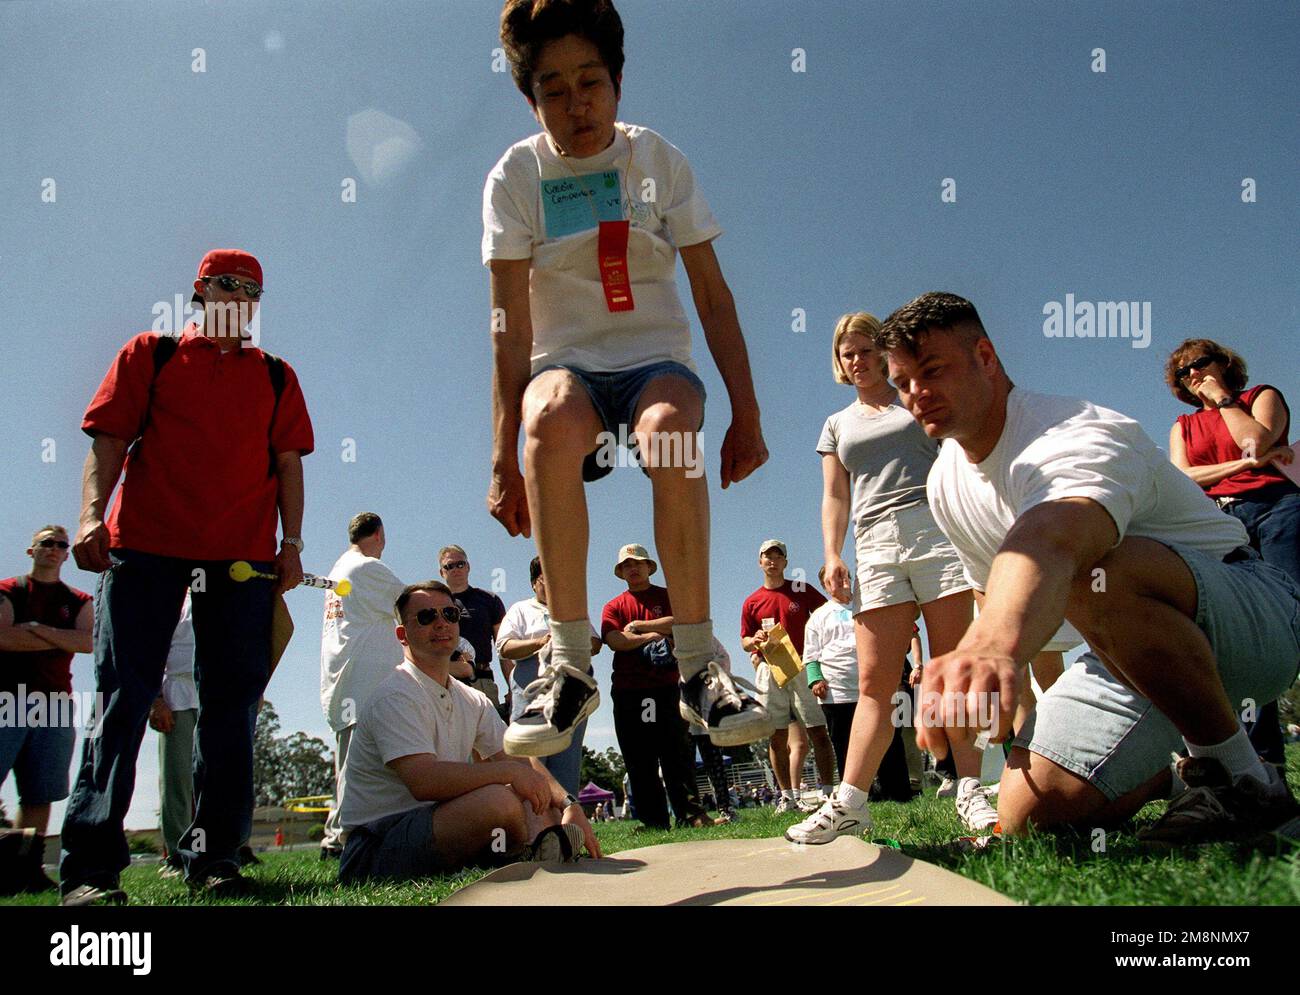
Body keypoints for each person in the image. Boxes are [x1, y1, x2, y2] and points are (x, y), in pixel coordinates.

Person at [873, 291, 1299, 843]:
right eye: (902, 382)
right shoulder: (944, 483)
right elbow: (990, 592)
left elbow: (1055, 536)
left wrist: (991, 647)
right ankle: (1179, 776)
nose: (916, 395)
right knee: (1030, 813)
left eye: (932, 370)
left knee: (1095, 570)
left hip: (1250, 621)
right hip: (1124, 660)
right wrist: (985, 683)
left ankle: (1244, 783)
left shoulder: (1072, 430)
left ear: (984, 356)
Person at [484, 0, 771, 759]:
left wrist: (748, 413)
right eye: (553, 89)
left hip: (654, 366)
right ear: (529, 98)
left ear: (617, 81)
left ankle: (700, 663)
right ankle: (569, 664)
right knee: (548, 418)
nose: (576, 105)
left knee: (671, 434)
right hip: (566, 371)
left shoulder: (658, 161)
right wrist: (502, 459)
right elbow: (509, 328)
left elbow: (713, 295)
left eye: (591, 83)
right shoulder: (517, 176)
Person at [62, 248, 314, 904]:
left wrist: (292, 543)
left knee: (230, 711)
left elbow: (289, 463)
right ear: (200, 289)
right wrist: (92, 517)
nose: (241, 296)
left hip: (242, 560)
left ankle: (216, 857)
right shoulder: (153, 353)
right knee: (122, 699)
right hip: (144, 548)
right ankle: (89, 871)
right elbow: (109, 440)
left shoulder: (277, 377)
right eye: (228, 283)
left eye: (253, 288)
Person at [786, 312, 989, 846]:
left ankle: (971, 790)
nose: (855, 360)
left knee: (950, 671)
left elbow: (962, 453)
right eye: (845, 352)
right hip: (873, 545)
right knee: (876, 684)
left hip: (937, 532)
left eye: (864, 349)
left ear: (884, 353)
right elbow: (835, 494)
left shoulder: (914, 400)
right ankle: (851, 803)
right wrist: (832, 553)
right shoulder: (836, 424)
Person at [335, 581, 601, 882]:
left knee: (532, 787)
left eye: (449, 614)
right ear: (402, 635)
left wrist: (568, 803)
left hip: (435, 822)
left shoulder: (470, 697)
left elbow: (518, 759)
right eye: (426, 617)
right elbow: (424, 781)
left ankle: (542, 846)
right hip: (373, 847)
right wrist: (510, 775)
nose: (441, 623)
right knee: (500, 800)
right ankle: (527, 850)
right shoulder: (396, 695)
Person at [1165, 338, 1298, 771]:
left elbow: (1256, 442)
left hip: (1279, 509)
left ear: (1223, 363)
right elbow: (1185, 477)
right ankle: (1264, 761)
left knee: (1294, 614)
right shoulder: (1183, 426)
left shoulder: (1260, 397)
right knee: (1250, 636)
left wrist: (1224, 401)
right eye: (1184, 372)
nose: (1193, 375)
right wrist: (1242, 467)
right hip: (1223, 526)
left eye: (1200, 364)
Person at [0, 526, 93, 894]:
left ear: (66, 553)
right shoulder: (9, 590)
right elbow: (3, 637)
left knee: (40, 792)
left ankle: (26, 867)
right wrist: (59, 636)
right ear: (31, 550)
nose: (54, 549)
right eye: (46, 543)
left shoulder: (78, 598)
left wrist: (36, 628)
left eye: (60, 545)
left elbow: (87, 641)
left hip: (55, 704)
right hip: (8, 699)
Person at [601, 544, 717, 829]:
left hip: (666, 687)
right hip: (630, 690)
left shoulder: (668, 596)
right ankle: (653, 820)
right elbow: (615, 640)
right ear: (621, 572)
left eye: (638, 562)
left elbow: (681, 621)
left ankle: (691, 814)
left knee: (677, 752)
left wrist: (640, 626)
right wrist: (655, 634)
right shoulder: (614, 605)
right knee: (639, 757)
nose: (633, 568)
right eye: (627, 564)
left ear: (649, 567)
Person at [319, 512, 407, 859]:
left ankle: (335, 835)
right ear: (379, 536)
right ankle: (341, 839)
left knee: (348, 762)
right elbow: (410, 606)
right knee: (358, 764)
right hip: (363, 679)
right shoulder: (369, 569)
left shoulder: (340, 568)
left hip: (346, 679)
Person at [740, 540, 839, 815]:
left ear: (786, 562)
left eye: (778, 556)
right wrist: (754, 641)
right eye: (767, 557)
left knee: (818, 730)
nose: (772, 561)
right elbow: (745, 641)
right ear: (760, 562)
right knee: (776, 734)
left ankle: (828, 792)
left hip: (803, 665)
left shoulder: (801, 589)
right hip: (770, 668)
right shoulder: (752, 601)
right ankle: (787, 797)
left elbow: (826, 616)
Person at [496, 555, 602, 794]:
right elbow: (504, 647)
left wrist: (570, 640)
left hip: (570, 689)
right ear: (534, 582)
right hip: (530, 688)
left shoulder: (572, 612)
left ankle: (568, 819)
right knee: (531, 755)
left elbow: (595, 643)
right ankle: (534, 820)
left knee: (568, 754)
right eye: (546, 579)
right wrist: (541, 642)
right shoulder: (520, 609)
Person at [148, 590, 197, 876]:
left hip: (215, 694)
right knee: (177, 780)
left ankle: (217, 851)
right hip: (177, 696)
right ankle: (177, 855)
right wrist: (156, 700)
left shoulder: (224, 594)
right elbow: (151, 652)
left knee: (215, 781)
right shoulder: (170, 598)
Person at [438, 545, 508, 710]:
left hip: (482, 681)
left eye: (460, 564)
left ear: (468, 566)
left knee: (488, 734)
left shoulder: (489, 600)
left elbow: (504, 649)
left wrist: (513, 688)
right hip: (444, 682)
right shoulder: (434, 604)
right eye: (449, 566)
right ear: (442, 572)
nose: (455, 569)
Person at [688, 638, 740, 822]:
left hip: (706, 707)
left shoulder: (706, 638)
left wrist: (708, 674)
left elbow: (723, 659)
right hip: (682, 708)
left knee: (715, 763)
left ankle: (725, 808)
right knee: (685, 767)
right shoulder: (668, 641)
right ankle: (693, 814)